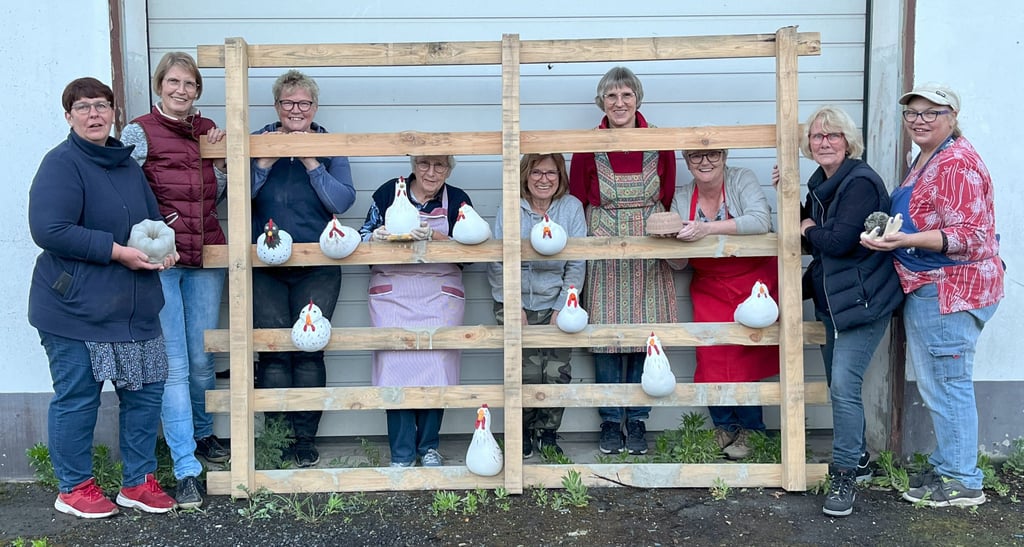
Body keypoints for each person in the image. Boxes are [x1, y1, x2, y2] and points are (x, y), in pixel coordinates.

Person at [29, 77, 179, 518]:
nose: (94, 114)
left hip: (134, 308)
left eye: (101, 105)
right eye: (83, 107)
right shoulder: (62, 164)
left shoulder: (126, 164)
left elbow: (150, 220)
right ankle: (73, 487)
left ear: (113, 111)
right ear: (68, 116)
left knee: (145, 394)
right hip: (75, 310)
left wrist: (162, 249)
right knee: (78, 399)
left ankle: (137, 482)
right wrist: (117, 253)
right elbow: (49, 230)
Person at [862, 84, 1003, 508]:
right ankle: (948, 465)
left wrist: (905, 238)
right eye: (912, 113)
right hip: (934, 288)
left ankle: (963, 481)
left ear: (952, 115)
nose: (920, 120)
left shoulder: (956, 163)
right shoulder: (926, 157)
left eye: (931, 112)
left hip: (949, 291)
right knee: (941, 384)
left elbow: (973, 237)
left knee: (947, 385)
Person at [773, 105, 903, 517]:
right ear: (808, 145)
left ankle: (844, 473)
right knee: (838, 383)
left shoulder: (861, 182)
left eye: (832, 136)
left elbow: (838, 241)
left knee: (844, 387)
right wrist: (789, 196)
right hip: (835, 301)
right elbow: (810, 235)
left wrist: (809, 226)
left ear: (848, 142)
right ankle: (860, 459)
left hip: (863, 303)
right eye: (816, 137)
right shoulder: (821, 183)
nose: (824, 142)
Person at [120, 51, 228, 509]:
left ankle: (203, 435)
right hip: (162, 261)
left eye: (190, 84)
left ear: (198, 91)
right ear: (159, 85)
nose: (181, 90)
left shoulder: (208, 132)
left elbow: (217, 192)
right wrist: (151, 235)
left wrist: (222, 161)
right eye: (174, 82)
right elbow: (126, 190)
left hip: (206, 257)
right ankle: (186, 467)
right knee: (176, 367)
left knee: (203, 359)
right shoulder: (139, 132)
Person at [569, 66, 677, 455]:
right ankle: (611, 421)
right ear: (602, 102)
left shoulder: (659, 139)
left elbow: (666, 191)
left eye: (626, 95)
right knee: (607, 338)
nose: (619, 103)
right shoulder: (588, 144)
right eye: (611, 96)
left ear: (637, 100)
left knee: (644, 335)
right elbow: (579, 197)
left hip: (648, 241)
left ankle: (639, 419)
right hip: (603, 241)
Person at [250, 69, 357, 467]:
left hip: (319, 266)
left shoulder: (330, 144)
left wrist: (311, 159)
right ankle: (275, 439)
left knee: (310, 350)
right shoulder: (259, 139)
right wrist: (266, 158)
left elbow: (342, 200)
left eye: (304, 103)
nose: (296, 110)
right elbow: (237, 195)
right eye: (288, 103)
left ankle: (303, 440)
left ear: (315, 107)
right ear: (276, 106)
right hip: (266, 265)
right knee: (274, 352)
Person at [360, 155, 473, 467]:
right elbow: (361, 236)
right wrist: (376, 237)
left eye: (440, 166)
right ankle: (402, 452)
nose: (431, 172)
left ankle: (429, 447)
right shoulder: (387, 193)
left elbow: (473, 249)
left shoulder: (458, 200)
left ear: (449, 169)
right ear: (413, 165)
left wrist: (437, 238)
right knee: (394, 366)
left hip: (440, 292)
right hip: (392, 292)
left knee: (437, 365)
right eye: (424, 164)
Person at [669, 149, 778, 461]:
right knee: (711, 355)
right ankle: (724, 426)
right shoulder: (681, 196)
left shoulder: (741, 178)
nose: (705, 162)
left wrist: (706, 229)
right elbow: (678, 259)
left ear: (725, 155)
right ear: (686, 161)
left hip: (752, 279)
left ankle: (753, 430)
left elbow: (759, 221)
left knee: (746, 355)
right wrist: (672, 243)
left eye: (712, 155)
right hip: (710, 283)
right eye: (695, 156)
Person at [487, 153, 586, 458]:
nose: (544, 179)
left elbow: (577, 262)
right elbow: (499, 262)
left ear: (561, 177)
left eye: (551, 173)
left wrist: (562, 307)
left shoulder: (571, 208)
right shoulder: (511, 207)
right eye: (537, 172)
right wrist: (514, 305)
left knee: (556, 372)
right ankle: (523, 434)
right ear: (525, 176)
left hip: (557, 300)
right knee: (524, 372)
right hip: (516, 301)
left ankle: (548, 433)